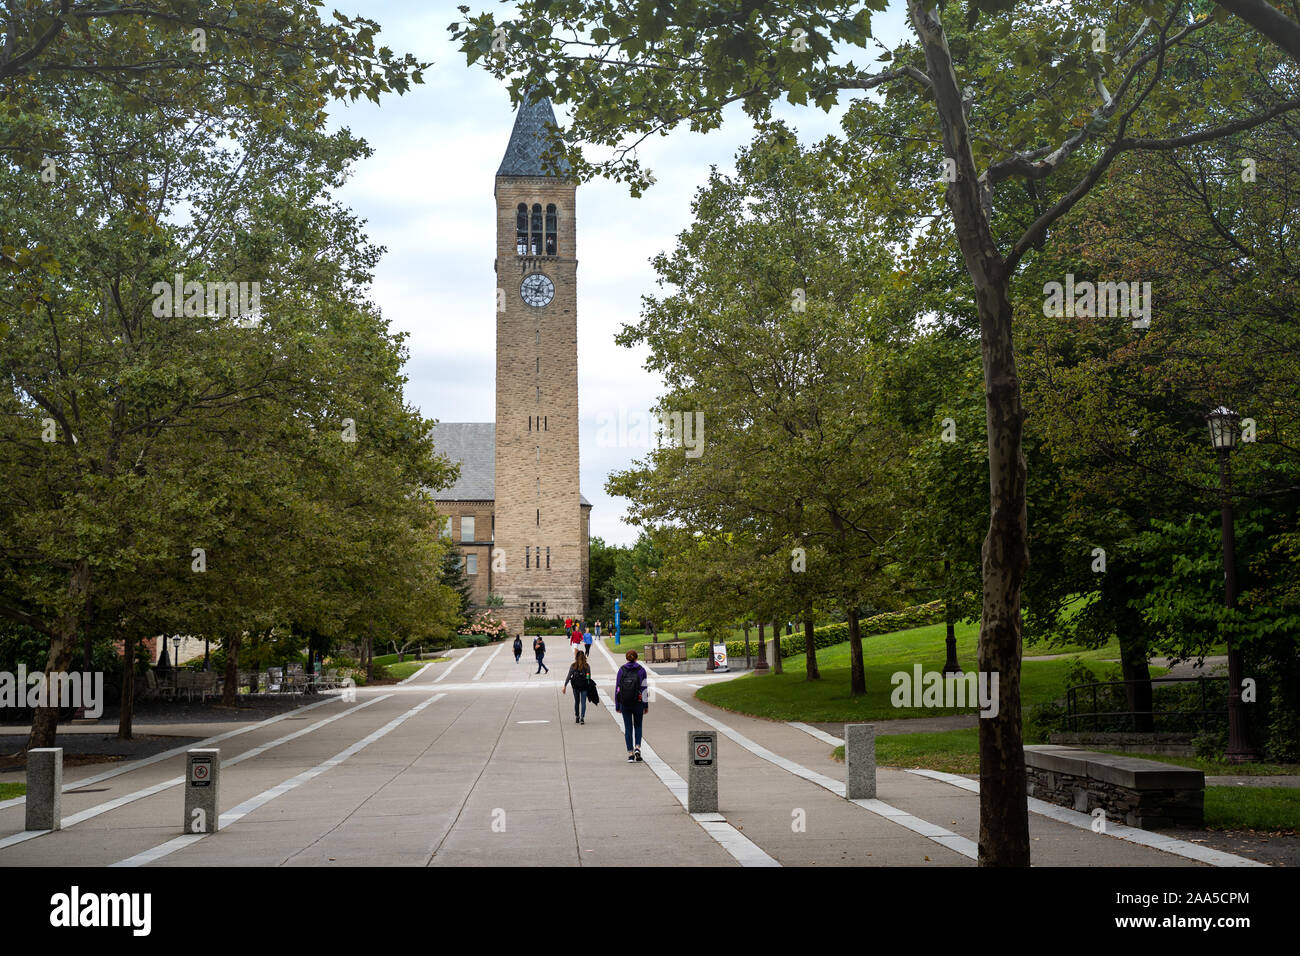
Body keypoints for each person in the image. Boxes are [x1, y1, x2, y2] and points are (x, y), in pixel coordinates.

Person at [614, 649, 649, 762]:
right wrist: (645, 704)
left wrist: (618, 705)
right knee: (638, 726)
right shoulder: (641, 670)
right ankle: (637, 747)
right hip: (638, 702)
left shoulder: (621, 670)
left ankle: (630, 753)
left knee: (628, 728)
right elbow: (644, 688)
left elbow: (618, 689)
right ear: (636, 658)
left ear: (626, 658)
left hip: (625, 703)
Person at [562, 650, 591, 724]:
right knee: (583, 702)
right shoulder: (587, 666)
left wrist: (565, 685)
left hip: (575, 686)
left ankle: (577, 716)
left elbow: (569, 676)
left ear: (576, 657)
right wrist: (588, 684)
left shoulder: (573, 665)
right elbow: (588, 677)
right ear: (584, 657)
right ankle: (582, 717)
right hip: (584, 686)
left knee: (577, 702)